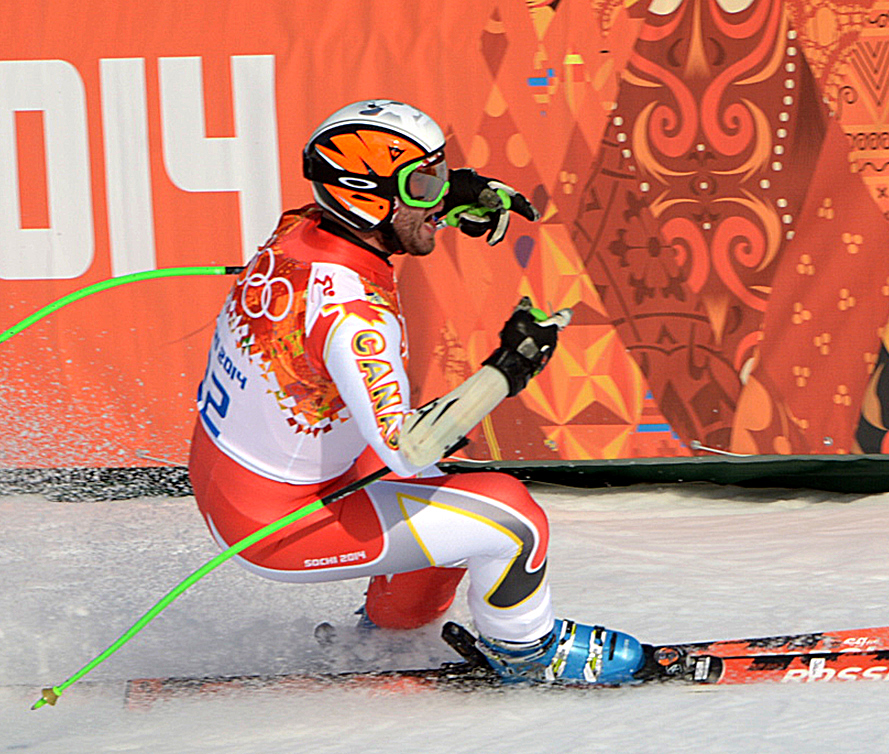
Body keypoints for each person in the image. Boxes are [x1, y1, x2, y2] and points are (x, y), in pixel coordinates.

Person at [187, 99, 645, 684]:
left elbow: (382, 205)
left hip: (247, 475)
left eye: (439, 172)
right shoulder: (356, 316)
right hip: (276, 521)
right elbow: (409, 447)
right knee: (512, 519)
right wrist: (509, 368)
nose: (440, 195)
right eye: (425, 182)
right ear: (366, 197)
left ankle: (391, 637)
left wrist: (454, 197)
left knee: (454, 488)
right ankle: (530, 652)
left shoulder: (303, 227)